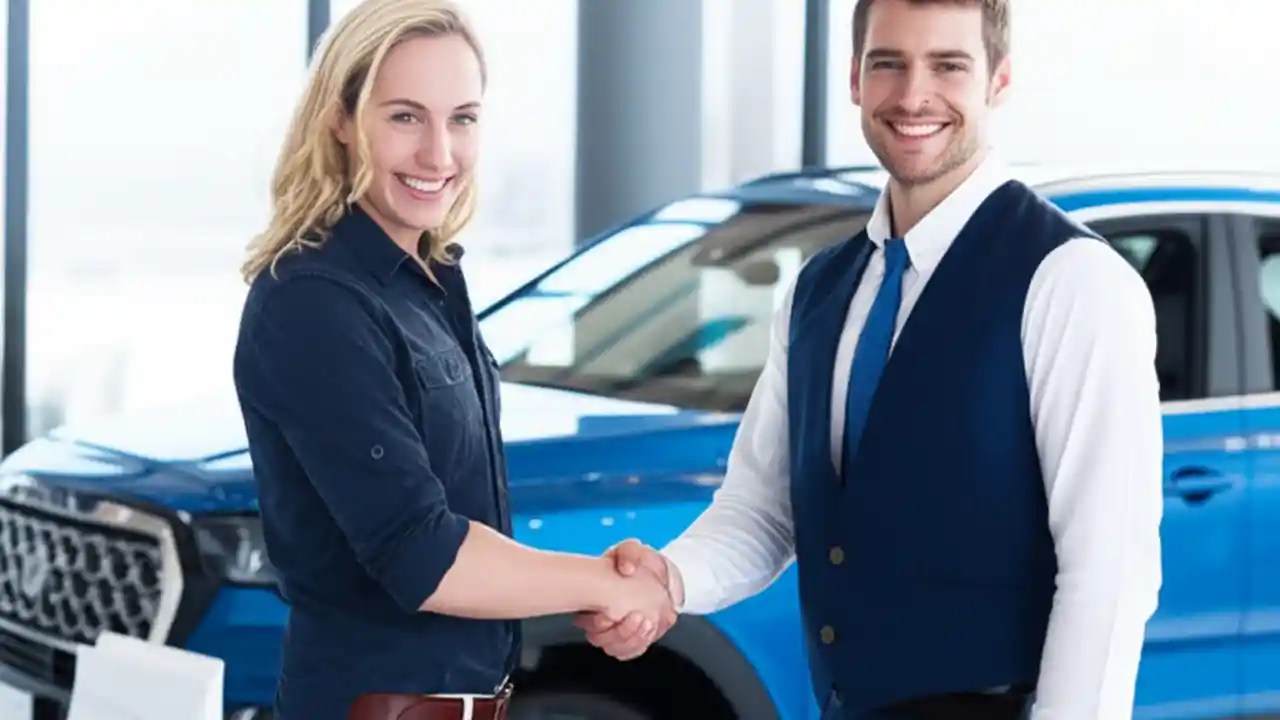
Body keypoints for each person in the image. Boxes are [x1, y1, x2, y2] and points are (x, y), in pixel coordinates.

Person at [576, 0, 1164, 718]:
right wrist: (669, 578)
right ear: (855, 78)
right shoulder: (819, 289)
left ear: (999, 81)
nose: (913, 95)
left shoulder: (1070, 279)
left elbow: (1109, 573)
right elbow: (760, 512)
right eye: (889, 63)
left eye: (948, 65)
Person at [231, 2, 674, 719]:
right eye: (405, 117)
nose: (439, 154)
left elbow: (466, 518)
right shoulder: (314, 301)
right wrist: (604, 583)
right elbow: (423, 555)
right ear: (341, 119)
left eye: (462, 118)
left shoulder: (431, 284)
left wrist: (597, 578)